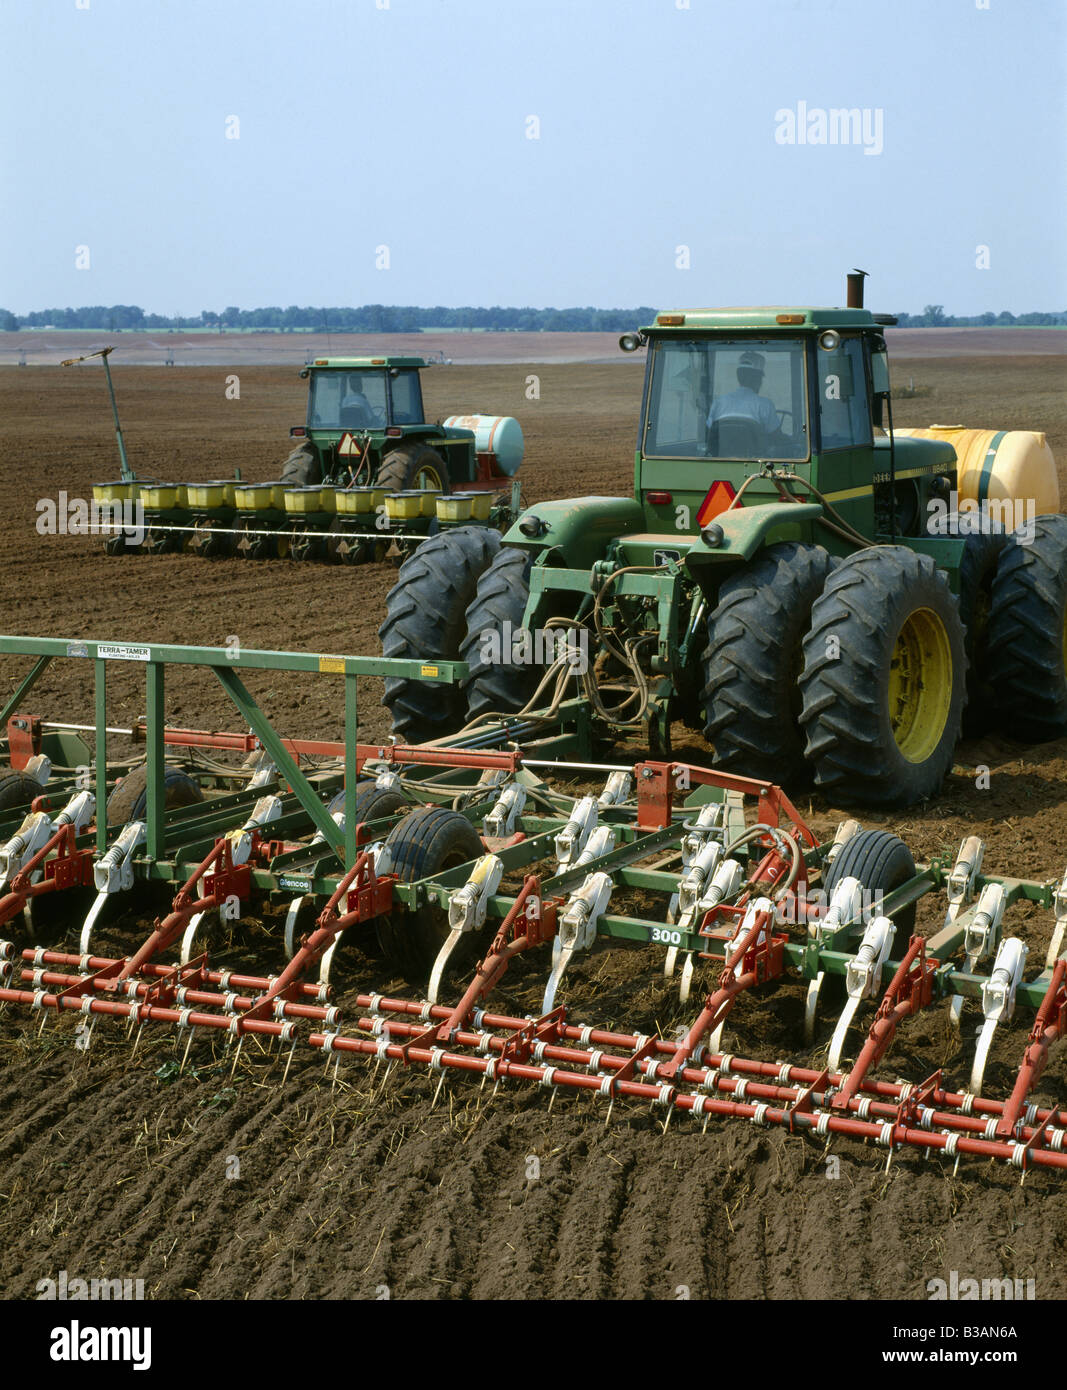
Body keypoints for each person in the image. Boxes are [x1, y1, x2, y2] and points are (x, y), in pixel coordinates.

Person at [707, 351, 780, 439]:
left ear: (738, 376)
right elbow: (776, 436)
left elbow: (709, 431)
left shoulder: (718, 403)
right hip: (755, 453)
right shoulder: (765, 405)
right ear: (757, 379)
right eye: (760, 378)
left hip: (722, 452)